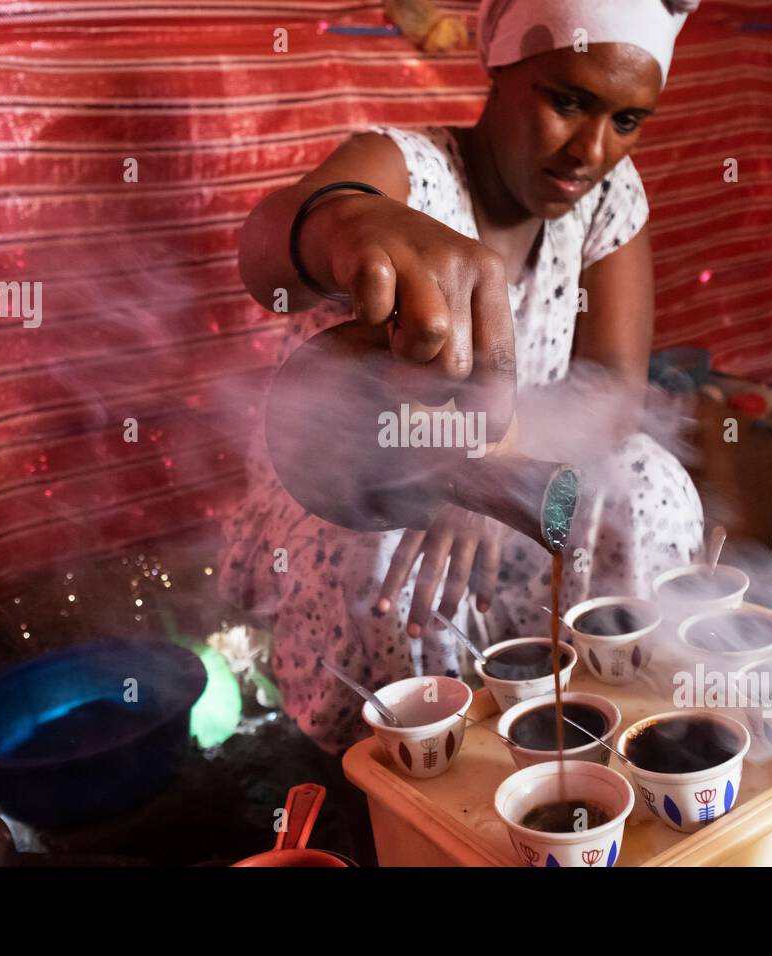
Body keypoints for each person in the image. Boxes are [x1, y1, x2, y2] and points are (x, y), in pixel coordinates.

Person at [220, 0, 705, 752]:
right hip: (356, 483)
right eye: (569, 101)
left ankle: (615, 718)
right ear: (500, 64)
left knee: (647, 482)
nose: (591, 150)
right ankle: (402, 765)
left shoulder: (608, 195)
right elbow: (265, 255)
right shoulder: (404, 170)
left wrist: (501, 460)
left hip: (524, 459)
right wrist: (351, 223)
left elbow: (613, 389)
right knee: (395, 545)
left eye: (627, 120)